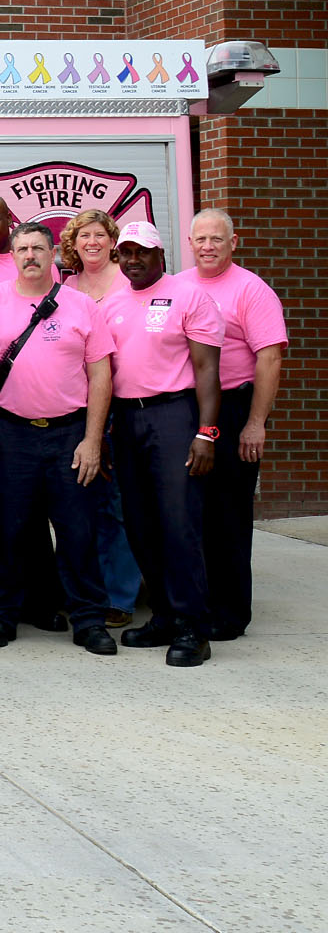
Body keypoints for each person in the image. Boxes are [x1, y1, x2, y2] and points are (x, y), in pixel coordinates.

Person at [0, 221, 118, 656]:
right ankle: (1, 616)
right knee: (7, 531)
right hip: (11, 434)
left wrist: (92, 439)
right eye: (22, 248)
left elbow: (100, 372)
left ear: (53, 256)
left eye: (38, 248)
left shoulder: (82, 305)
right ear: (13, 256)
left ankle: (88, 620)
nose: (30, 255)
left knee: (78, 532)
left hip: (70, 433)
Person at [102, 221, 224, 667]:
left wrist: (206, 432)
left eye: (143, 252)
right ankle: (165, 617)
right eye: (126, 252)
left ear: (161, 256)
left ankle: (194, 627)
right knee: (140, 522)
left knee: (179, 523)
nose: (134, 260)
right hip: (126, 419)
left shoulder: (189, 296)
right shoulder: (111, 304)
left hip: (174, 414)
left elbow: (208, 371)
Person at [180, 208, 287, 641]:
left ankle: (229, 613)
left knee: (228, 513)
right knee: (189, 513)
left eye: (216, 239)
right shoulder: (179, 286)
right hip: (185, 409)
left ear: (233, 242)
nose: (207, 246)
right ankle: (193, 604)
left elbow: (270, 358)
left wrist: (255, 423)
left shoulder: (252, 290)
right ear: (190, 244)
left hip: (233, 409)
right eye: (201, 239)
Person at [59, 209, 145, 627]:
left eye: (99, 235)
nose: (91, 242)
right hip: (79, 408)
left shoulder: (131, 282)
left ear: (113, 241)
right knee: (80, 506)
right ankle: (83, 591)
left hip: (125, 406)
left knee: (117, 506)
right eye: (82, 236)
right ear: (72, 244)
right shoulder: (65, 286)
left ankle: (119, 596)